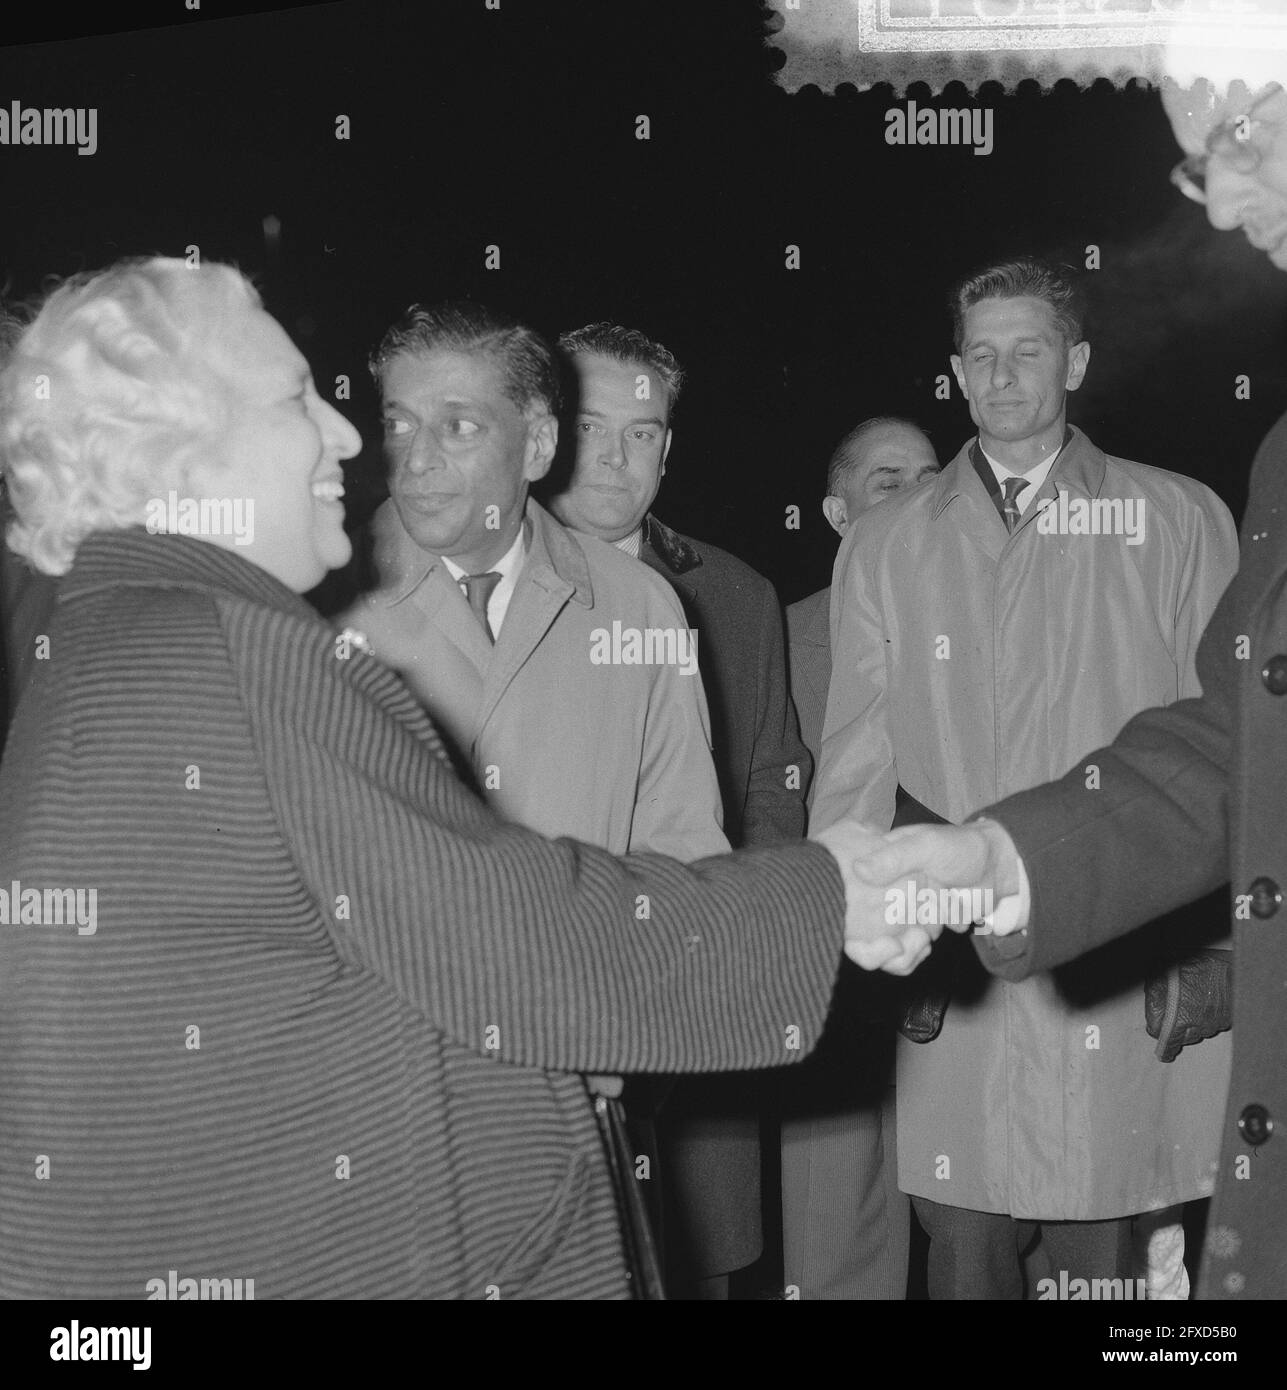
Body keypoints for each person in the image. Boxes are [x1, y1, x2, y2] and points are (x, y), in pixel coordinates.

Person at [0, 255, 891, 1300]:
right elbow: (505, 937)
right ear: (182, 447)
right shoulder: (247, 650)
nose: (350, 438)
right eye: (298, 402)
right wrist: (839, 893)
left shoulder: (105, 630)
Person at [844, 66, 1287, 1304]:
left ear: (1075, 360)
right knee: (968, 1255)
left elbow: (1233, 758)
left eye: (1025, 351)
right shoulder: (888, 540)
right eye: (977, 356)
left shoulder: (1183, 516)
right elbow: (855, 763)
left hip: (1127, 980)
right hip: (966, 992)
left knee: (1121, 1284)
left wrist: (1214, 966)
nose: (998, 377)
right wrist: (873, 950)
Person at [546, 323, 809, 1297]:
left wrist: (744, 933)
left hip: (697, 1013)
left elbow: (774, 783)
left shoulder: (736, 595)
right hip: (537, 1000)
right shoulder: (468, 589)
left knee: (700, 1265)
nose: (616, 457)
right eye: (590, 425)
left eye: (643, 432)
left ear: (670, 447)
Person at [340, 302, 726, 862]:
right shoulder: (312, 601)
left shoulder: (640, 608)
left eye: (459, 426)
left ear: (539, 445)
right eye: (400, 424)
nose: (418, 459)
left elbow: (682, 856)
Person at [779, 416, 938, 1301]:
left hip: (968, 974)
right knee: (836, 1238)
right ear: (837, 513)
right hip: (833, 982)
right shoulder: (775, 633)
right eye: (890, 480)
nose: (920, 494)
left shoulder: (1004, 633)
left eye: (931, 476)